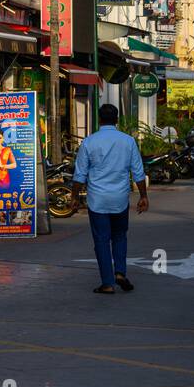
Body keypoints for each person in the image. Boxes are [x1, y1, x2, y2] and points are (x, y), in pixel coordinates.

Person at [71, 104, 148, 295]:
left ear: (99, 119)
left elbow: (80, 174)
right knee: (120, 236)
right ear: (116, 120)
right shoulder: (128, 141)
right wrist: (144, 196)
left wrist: (74, 197)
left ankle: (107, 283)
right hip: (120, 199)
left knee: (101, 241)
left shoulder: (89, 142)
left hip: (97, 200)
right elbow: (138, 173)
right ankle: (120, 271)